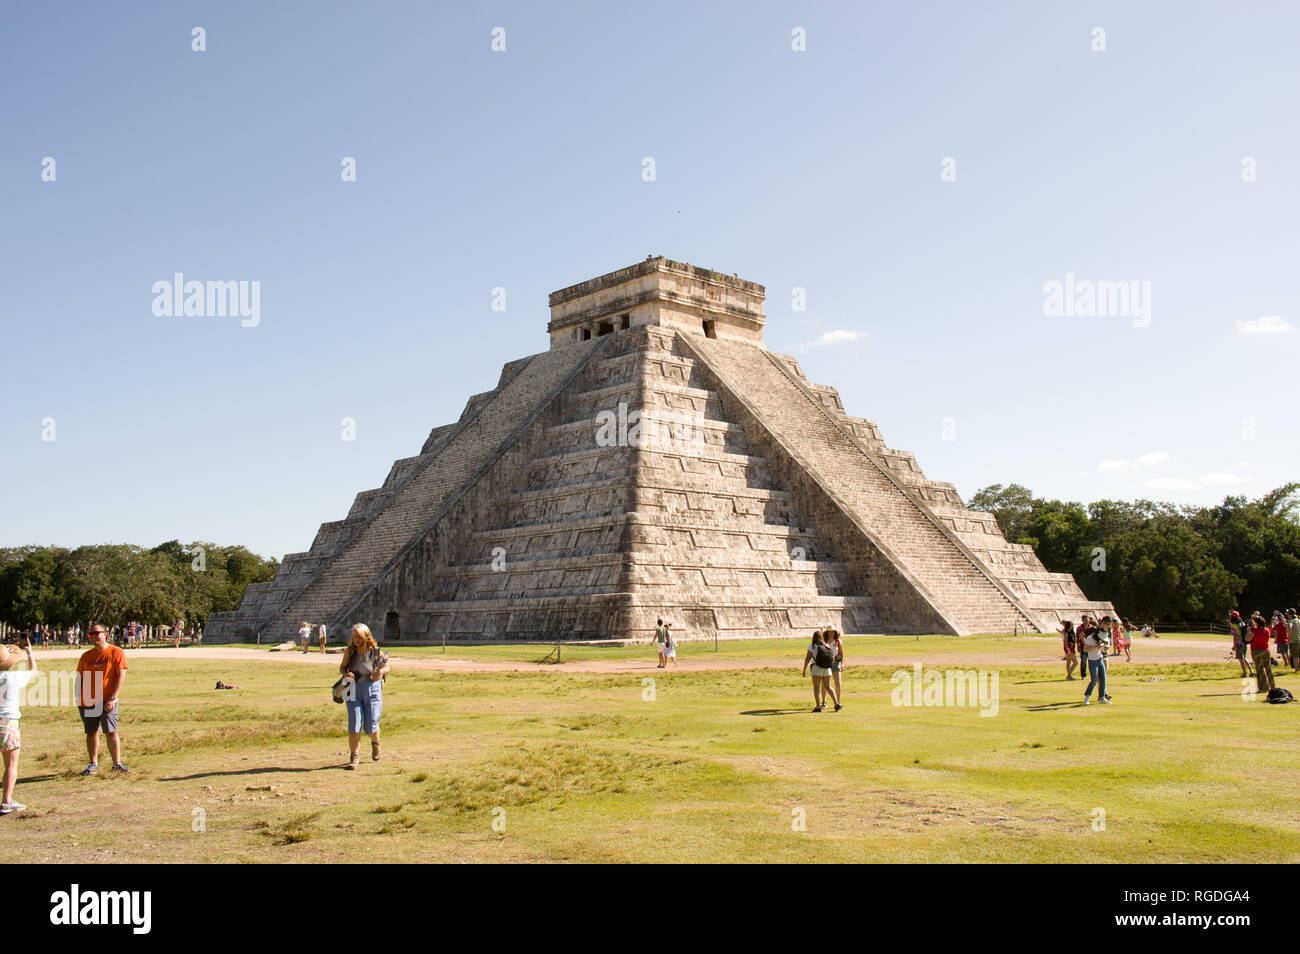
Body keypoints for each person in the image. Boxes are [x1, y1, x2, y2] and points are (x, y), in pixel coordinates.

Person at [75, 624, 129, 775]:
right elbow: (80, 677)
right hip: (88, 700)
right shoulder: (86, 656)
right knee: (91, 732)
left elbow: (121, 674)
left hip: (107, 699)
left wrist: (114, 697)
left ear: (105, 634)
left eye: (96, 633)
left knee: (111, 731)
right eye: (90, 634)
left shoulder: (115, 652)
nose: (93, 636)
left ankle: (117, 763)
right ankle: (93, 763)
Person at [339, 624, 389, 769]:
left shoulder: (375, 651)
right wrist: (346, 674)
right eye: (354, 637)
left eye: (359, 637)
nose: (356, 640)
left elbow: (386, 666)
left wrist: (381, 672)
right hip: (352, 687)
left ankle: (376, 742)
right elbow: (342, 667)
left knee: (370, 725)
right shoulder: (350, 651)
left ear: (366, 636)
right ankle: (354, 757)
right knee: (354, 723)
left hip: (372, 687)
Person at [0, 639, 37, 814]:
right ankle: (7, 800)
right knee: (11, 764)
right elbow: (33, 671)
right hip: (8, 722)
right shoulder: (13, 678)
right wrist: (29, 653)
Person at [801, 630, 841, 712]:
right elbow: (832, 658)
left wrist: (804, 669)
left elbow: (808, 658)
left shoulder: (812, 647)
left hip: (817, 668)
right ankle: (836, 703)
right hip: (827, 669)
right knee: (829, 687)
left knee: (816, 688)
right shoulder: (826, 645)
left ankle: (818, 706)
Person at [1080, 619, 1110, 705]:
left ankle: (1101, 698)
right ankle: (1086, 697)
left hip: (1099, 659)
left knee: (1103, 679)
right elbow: (1085, 649)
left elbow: (1104, 647)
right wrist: (1096, 647)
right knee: (1094, 680)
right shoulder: (1090, 638)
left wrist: (1104, 647)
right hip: (1092, 661)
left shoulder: (1101, 639)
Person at [1249, 613, 1274, 695]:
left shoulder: (1254, 631)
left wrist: (1251, 629)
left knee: (1260, 670)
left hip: (1256, 651)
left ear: (1257, 623)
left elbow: (1247, 638)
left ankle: (1263, 687)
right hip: (1266, 650)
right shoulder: (1267, 630)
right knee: (1268, 669)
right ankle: (1272, 686)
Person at [1228, 611, 1252, 678]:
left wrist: (1234, 645)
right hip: (1244, 642)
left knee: (1241, 658)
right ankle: (1251, 671)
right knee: (1244, 657)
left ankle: (1244, 673)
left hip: (1239, 644)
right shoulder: (1242, 623)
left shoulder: (1234, 626)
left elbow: (1235, 636)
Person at [825, 627, 845, 705]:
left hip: (836, 663)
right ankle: (824, 701)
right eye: (829, 632)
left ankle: (838, 701)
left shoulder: (838, 642)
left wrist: (842, 663)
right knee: (825, 684)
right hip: (827, 663)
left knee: (838, 682)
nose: (831, 634)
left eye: (832, 632)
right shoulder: (824, 641)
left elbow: (841, 653)